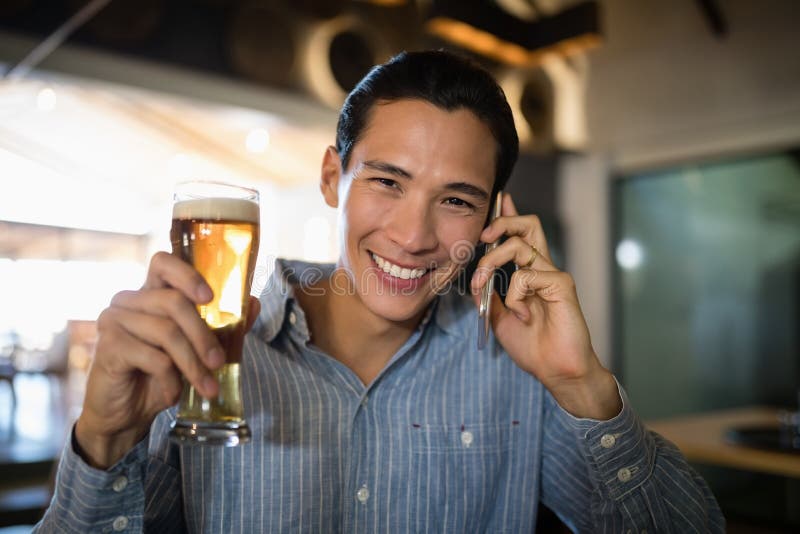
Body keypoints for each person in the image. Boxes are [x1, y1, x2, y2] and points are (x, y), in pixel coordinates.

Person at [34, 50, 724, 533]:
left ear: (493, 220)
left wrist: (584, 385)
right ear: (334, 177)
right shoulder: (201, 357)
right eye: (387, 182)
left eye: (455, 199)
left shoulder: (519, 371)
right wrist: (104, 438)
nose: (413, 234)